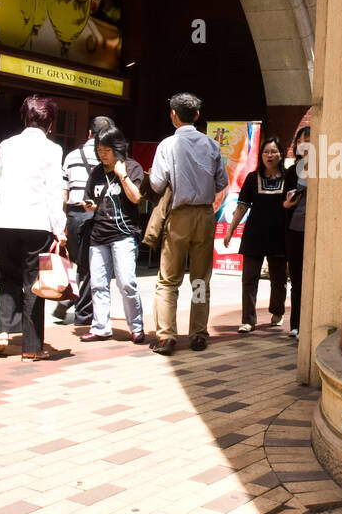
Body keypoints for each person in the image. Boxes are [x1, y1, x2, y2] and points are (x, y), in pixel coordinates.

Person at [0, 93, 66, 361]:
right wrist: (60, 227)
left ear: (25, 118)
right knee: (34, 281)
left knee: (8, 275)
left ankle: (3, 333)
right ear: (50, 123)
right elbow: (54, 191)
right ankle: (32, 347)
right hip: (37, 223)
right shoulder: (53, 150)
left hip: (6, 219)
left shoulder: (7, 145)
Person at [149, 92, 228, 355]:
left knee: (168, 280)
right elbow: (221, 183)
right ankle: (197, 334)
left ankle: (166, 336)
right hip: (205, 215)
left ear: (173, 115)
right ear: (196, 115)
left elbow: (157, 183)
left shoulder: (167, 145)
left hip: (179, 215)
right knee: (200, 279)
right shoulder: (211, 145)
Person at [80, 127, 146, 343]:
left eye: (106, 150)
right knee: (98, 284)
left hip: (124, 234)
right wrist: (88, 206)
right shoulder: (97, 172)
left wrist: (122, 175)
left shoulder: (132, 167)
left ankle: (136, 327)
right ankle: (100, 327)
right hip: (98, 235)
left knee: (126, 282)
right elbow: (89, 197)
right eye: (99, 150)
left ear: (118, 149)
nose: (102, 154)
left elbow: (137, 198)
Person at [53, 115, 115, 327]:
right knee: (90, 268)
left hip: (73, 215)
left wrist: (60, 222)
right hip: (97, 216)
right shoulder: (108, 157)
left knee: (75, 261)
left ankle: (68, 298)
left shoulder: (71, 156)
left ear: (89, 133)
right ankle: (83, 315)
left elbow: (63, 192)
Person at [223, 135, 288, 333]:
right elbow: (242, 206)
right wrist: (230, 230)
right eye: (266, 152)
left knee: (279, 279)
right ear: (261, 155)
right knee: (249, 278)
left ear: (281, 155)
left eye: (274, 152)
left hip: (280, 235)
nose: (270, 155)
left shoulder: (288, 177)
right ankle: (248, 320)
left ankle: (277, 311)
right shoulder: (252, 178)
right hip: (254, 234)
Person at [283, 124, 310, 339]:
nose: (303, 144)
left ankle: (309, 324)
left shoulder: (325, 168)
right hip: (294, 229)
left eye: (308, 140)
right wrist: (287, 204)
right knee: (297, 278)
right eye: (300, 141)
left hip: (315, 230)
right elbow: (281, 203)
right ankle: (296, 324)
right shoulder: (292, 171)